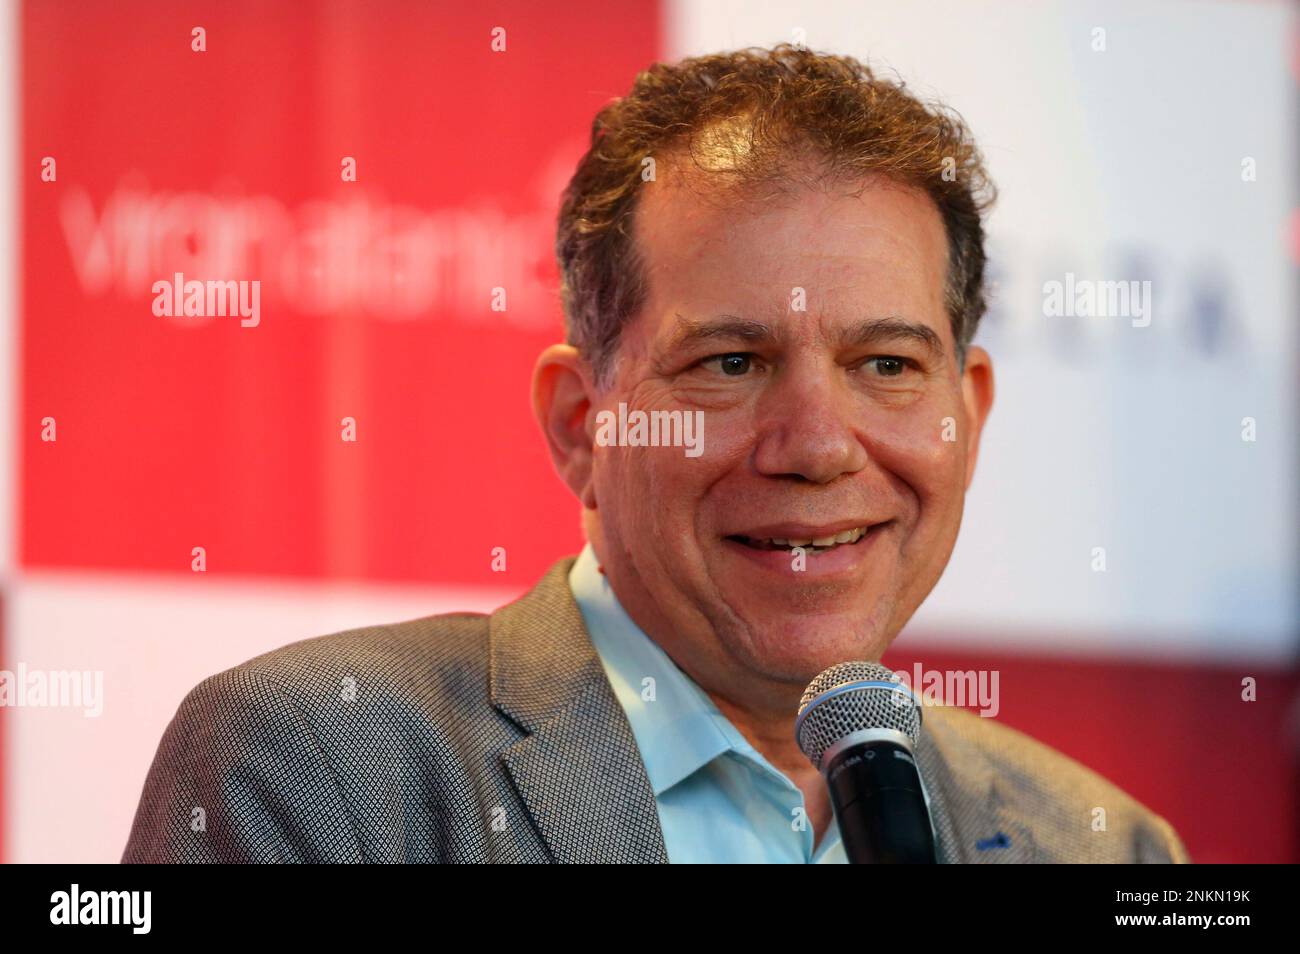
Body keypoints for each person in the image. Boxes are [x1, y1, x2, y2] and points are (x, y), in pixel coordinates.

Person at [122, 44, 1189, 863]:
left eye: (886, 365)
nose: (817, 445)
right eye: (729, 363)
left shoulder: (1101, 845)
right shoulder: (320, 767)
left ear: (970, 412)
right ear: (580, 422)